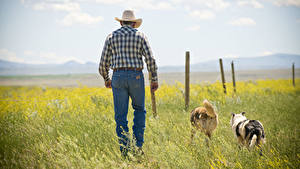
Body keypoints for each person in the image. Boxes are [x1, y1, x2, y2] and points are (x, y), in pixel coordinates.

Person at [99, 10, 158, 157]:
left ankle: (125, 152)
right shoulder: (140, 35)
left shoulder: (111, 37)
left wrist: (107, 79)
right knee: (139, 110)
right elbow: (150, 59)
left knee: (120, 115)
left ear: (120, 22)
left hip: (118, 76)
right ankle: (138, 147)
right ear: (133, 23)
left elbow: (102, 64)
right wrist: (154, 79)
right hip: (136, 76)